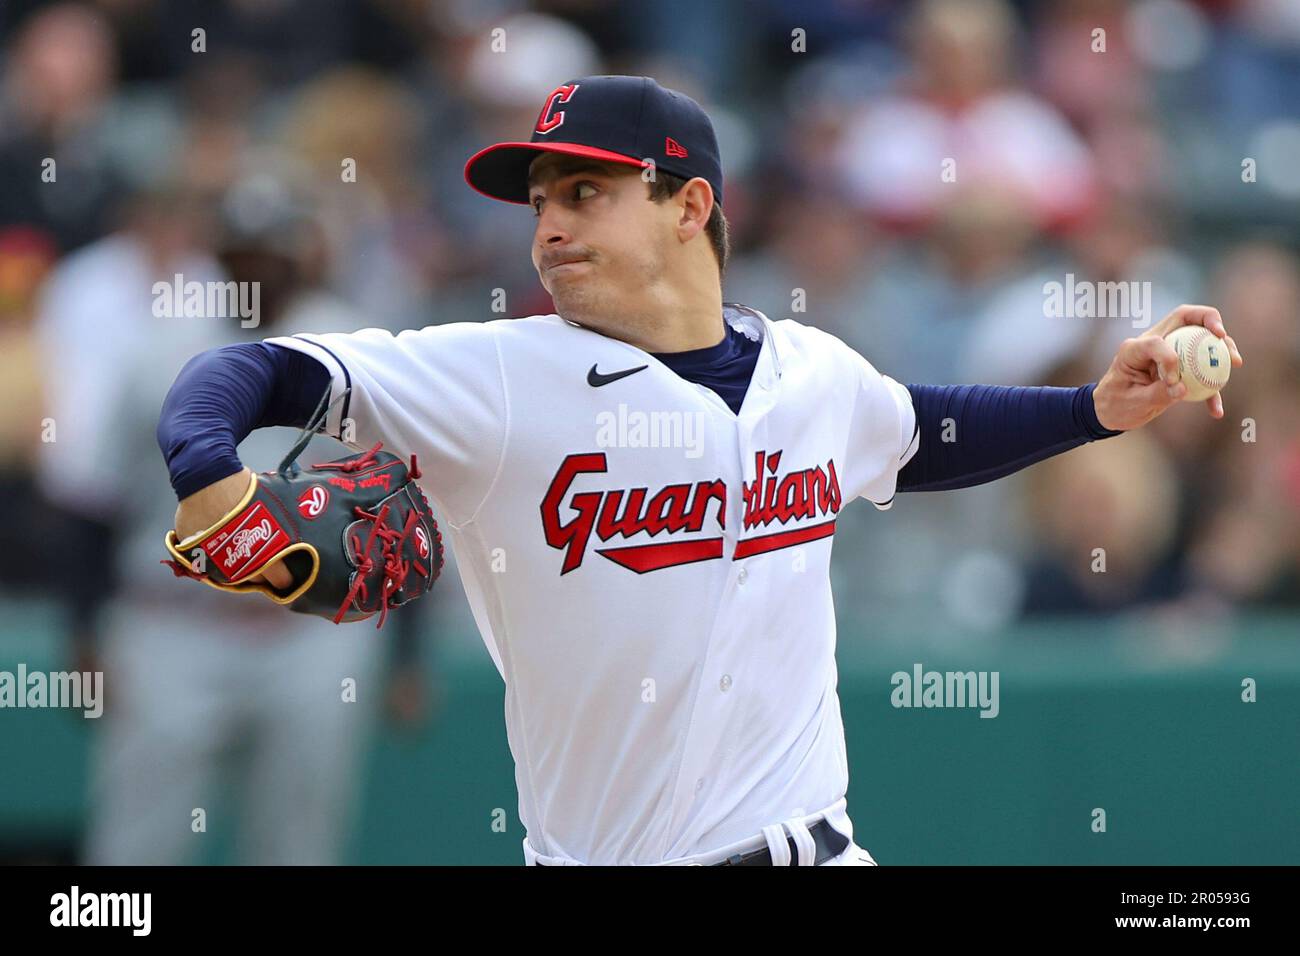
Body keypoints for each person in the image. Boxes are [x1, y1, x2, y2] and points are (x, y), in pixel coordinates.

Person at [156, 76, 1243, 866]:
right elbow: (244, 371)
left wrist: (1096, 410)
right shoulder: (491, 376)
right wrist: (212, 478)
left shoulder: (809, 370)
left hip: (815, 846)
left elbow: (922, 430)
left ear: (688, 205)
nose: (548, 227)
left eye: (584, 195)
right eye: (539, 200)